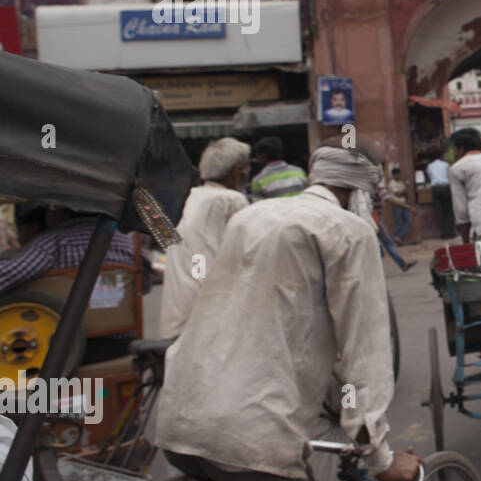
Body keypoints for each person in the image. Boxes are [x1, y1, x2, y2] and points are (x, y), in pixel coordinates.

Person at [154, 147, 422, 481]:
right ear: (360, 194)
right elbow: (364, 353)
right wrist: (381, 460)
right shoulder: (350, 232)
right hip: (248, 433)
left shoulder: (251, 215)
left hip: (180, 417)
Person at [158, 138, 251, 338]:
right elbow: (249, 252)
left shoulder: (191, 195)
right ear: (237, 172)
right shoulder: (231, 200)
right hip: (208, 313)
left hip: (178, 310)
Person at [0, 205, 141, 296]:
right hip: (123, 331)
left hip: (62, 334)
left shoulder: (54, 241)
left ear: (60, 212)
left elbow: (8, 275)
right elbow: (144, 284)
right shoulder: (127, 239)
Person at [249, 136, 307, 201]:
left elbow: (258, 206)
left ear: (263, 156)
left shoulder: (258, 180)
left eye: (257, 156)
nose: (257, 160)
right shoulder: (299, 172)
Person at [426, 146, 454, 239]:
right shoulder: (446, 164)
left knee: (440, 211)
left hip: (436, 189)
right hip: (445, 188)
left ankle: (444, 233)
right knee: (448, 211)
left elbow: (430, 177)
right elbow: (450, 176)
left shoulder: (430, 166)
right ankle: (451, 232)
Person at [387, 167, 413, 244]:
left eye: (398, 174)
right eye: (395, 175)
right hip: (396, 205)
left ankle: (398, 237)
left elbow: (406, 193)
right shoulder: (392, 184)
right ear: (393, 175)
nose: (397, 176)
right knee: (398, 223)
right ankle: (398, 240)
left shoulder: (400, 182)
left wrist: (403, 193)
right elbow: (398, 194)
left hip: (404, 204)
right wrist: (403, 192)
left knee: (408, 221)